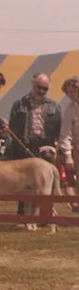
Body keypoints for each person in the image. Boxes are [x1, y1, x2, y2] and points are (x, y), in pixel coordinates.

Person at [8, 73, 61, 160]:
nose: (41, 91)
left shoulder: (54, 106)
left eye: (45, 89)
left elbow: (59, 129)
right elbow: (13, 127)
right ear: (33, 84)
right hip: (25, 147)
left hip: (46, 147)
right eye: (39, 87)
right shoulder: (19, 104)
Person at [58, 76, 79, 210]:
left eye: (72, 91)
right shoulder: (69, 111)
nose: (70, 95)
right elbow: (65, 135)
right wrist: (68, 156)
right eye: (68, 92)